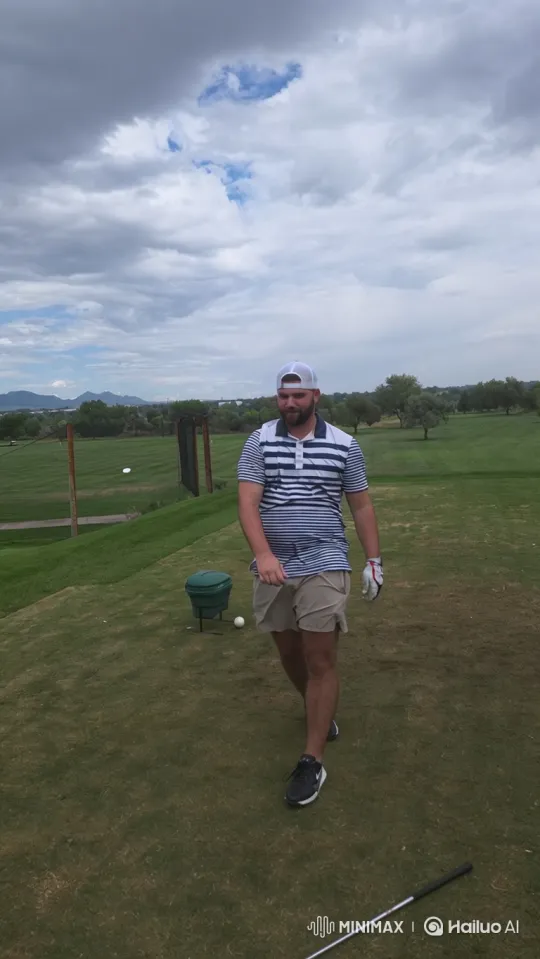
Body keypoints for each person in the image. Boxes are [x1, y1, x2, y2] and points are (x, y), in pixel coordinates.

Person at [237, 361, 383, 807]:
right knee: (289, 651)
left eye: (298, 396)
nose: (289, 403)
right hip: (274, 564)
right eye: (283, 395)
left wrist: (374, 561)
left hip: (324, 559)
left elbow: (359, 506)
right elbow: (247, 502)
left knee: (320, 657)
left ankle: (312, 758)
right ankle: (322, 714)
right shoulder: (259, 440)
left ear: (316, 396)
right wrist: (263, 554)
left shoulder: (344, 444)